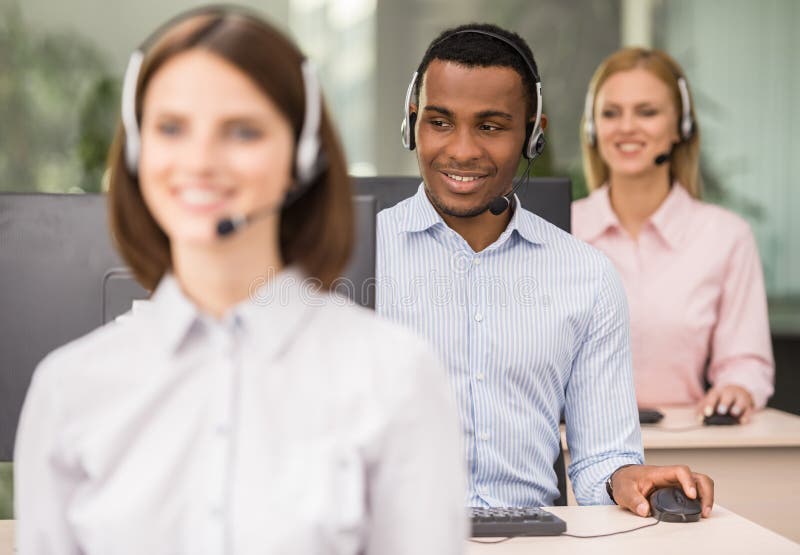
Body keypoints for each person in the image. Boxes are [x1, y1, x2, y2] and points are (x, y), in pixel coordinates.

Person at [14, 8, 466, 553]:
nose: (201, 161)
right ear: (137, 151)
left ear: (301, 156)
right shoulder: (70, 390)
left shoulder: (394, 376)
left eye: (243, 131)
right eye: (171, 128)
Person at [377, 23, 714, 518]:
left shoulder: (588, 276)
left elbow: (604, 458)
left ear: (533, 135)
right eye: (440, 122)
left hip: (535, 542)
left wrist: (627, 477)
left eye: (491, 126)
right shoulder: (352, 257)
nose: (463, 150)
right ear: (412, 124)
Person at [573, 47, 774, 423]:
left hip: (690, 446)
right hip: (574, 448)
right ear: (592, 128)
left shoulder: (726, 236)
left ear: (680, 127)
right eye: (611, 113)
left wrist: (738, 388)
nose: (627, 127)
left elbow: (745, 362)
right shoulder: (560, 230)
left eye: (646, 112)